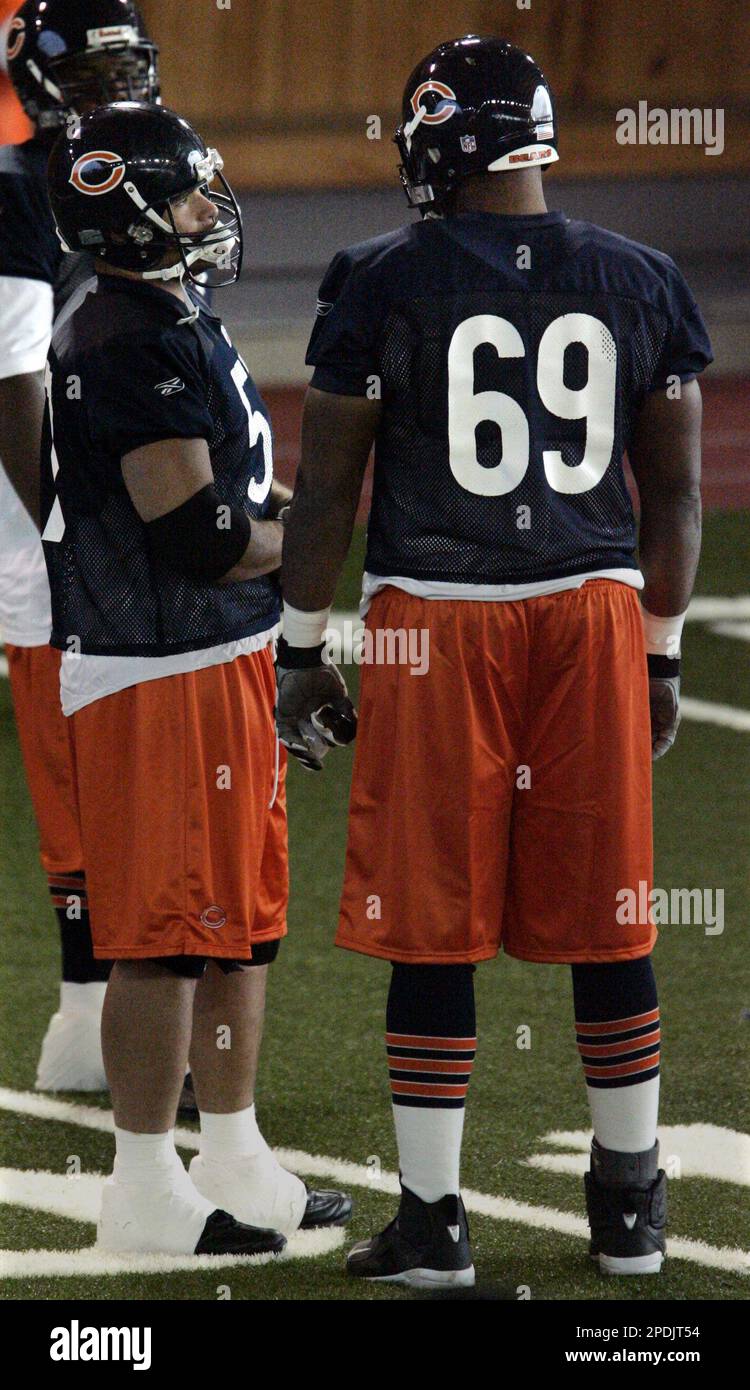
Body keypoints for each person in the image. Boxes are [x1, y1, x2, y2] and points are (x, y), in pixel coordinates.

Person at [276, 34, 712, 1286]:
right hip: (592, 614)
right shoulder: (642, 274)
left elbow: (328, 494)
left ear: (438, 141)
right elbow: (675, 496)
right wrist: (663, 656)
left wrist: (303, 651)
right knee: (613, 917)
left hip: (438, 620)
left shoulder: (378, 277)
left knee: (433, 930)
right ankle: (630, 1212)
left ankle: (436, 1225)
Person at [43, 99, 351, 1255]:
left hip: (212, 656)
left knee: (237, 930)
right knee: (169, 934)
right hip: (157, 667)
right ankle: (141, 1187)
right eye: (182, 192)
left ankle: (230, 1150)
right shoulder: (126, 337)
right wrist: (320, 529)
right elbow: (203, 536)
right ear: (126, 209)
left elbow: (236, 501)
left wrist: (292, 526)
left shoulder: (167, 314)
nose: (204, 211)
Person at [0, 0, 161, 1091]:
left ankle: (90, 1021)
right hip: (49, 528)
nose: (117, 86)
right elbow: (15, 381)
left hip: (97, 512)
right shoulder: (20, 193)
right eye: (95, 68)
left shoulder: (136, 170)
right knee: (89, 778)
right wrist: (67, 518)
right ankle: (91, 1014)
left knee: (119, 774)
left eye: (126, 64)